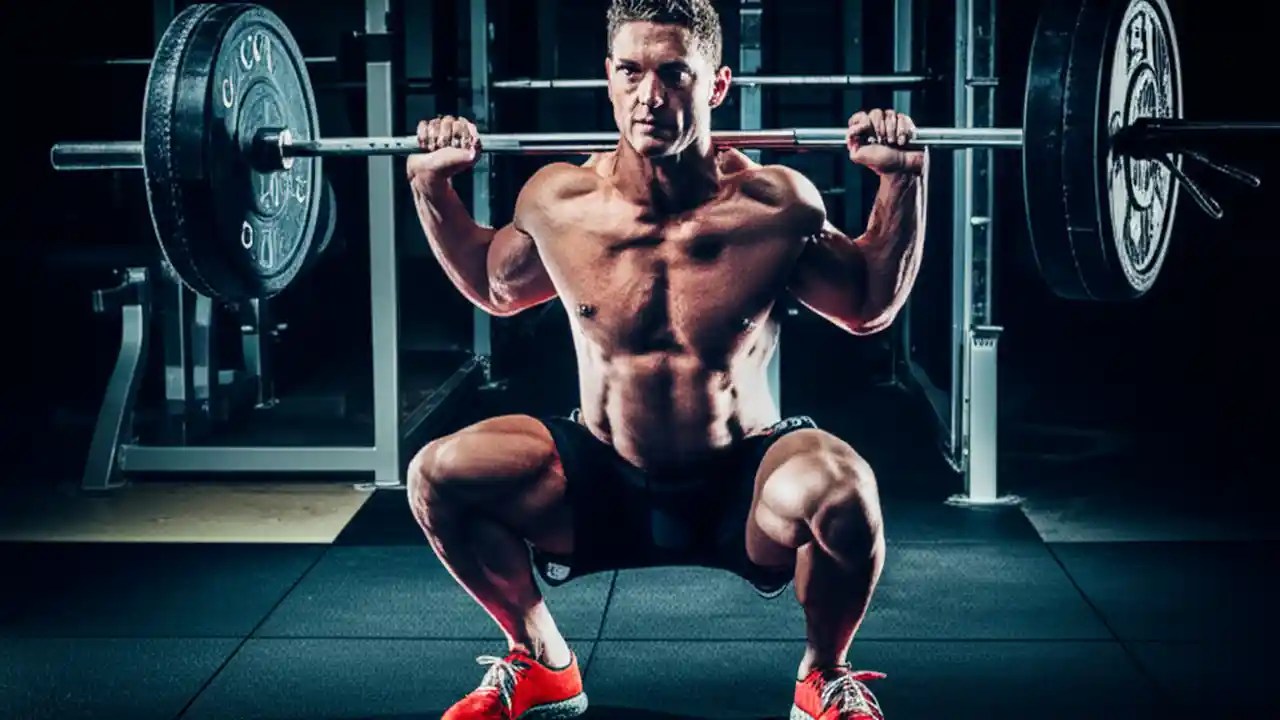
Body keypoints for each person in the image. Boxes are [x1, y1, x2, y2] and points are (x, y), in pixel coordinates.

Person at [404, 1, 925, 718]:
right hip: (599, 471)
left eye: (675, 74)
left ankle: (821, 675)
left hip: (744, 479)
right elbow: (495, 286)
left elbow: (868, 306)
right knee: (436, 475)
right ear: (609, 79)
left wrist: (902, 183)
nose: (651, 97)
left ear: (716, 86)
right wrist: (431, 185)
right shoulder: (560, 202)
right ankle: (542, 662)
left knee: (847, 492)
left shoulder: (772, 206)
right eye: (631, 72)